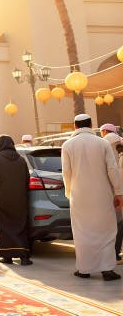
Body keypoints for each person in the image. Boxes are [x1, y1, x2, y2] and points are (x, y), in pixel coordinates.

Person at [62, 114, 123, 281]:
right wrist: (118, 192)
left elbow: (66, 173)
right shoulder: (102, 143)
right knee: (106, 231)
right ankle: (107, 269)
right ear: (90, 124)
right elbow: (112, 169)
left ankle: (84, 269)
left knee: (82, 232)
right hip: (103, 195)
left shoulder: (67, 145)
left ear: (75, 126)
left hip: (79, 195)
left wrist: (69, 193)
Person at [0, 135, 31, 265]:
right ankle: (24, 257)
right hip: (20, 198)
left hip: (2, 198)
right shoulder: (21, 160)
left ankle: (7, 256)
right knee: (20, 224)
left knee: (4, 225)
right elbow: (27, 178)